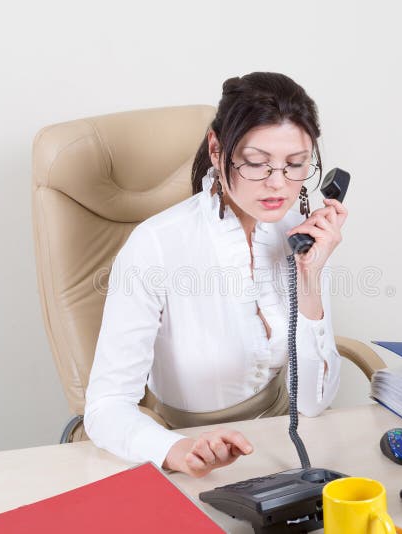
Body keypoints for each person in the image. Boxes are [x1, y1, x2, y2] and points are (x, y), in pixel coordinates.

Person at [84, 72, 347, 478]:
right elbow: (105, 408)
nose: (278, 183)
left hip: (283, 451)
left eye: (295, 165)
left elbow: (312, 403)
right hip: (188, 459)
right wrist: (177, 449)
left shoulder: (301, 232)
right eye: (258, 164)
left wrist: (310, 279)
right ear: (216, 148)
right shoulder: (154, 245)